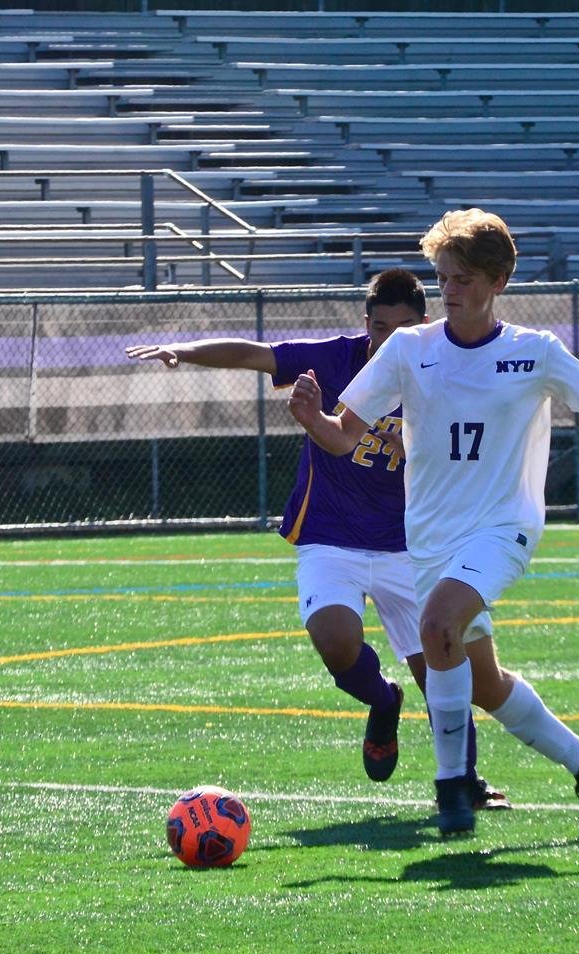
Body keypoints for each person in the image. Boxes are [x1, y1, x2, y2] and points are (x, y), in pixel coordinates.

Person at [288, 210, 579, 841]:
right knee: (482, 683)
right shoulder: (409, 349)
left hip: (503, 528)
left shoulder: (535, 352)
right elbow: (344, 437)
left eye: (461, 279)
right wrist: (312, 419)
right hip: (432, 540)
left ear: (498, 281)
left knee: (435, 626)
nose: (449, 291)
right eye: (444, 277)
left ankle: (452, 785)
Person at [125, 268, 508, 811]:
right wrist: (182, 350)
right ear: (365, 323)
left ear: (422, 324)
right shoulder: (333, 360)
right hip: (332, 536)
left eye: (400, 327)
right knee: (334, 642)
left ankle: (465, 779)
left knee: (441, 669)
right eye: (377, 326)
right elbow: (255, 354)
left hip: (411, 545)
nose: (385, 339)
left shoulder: (442, 366)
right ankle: (381, 700)